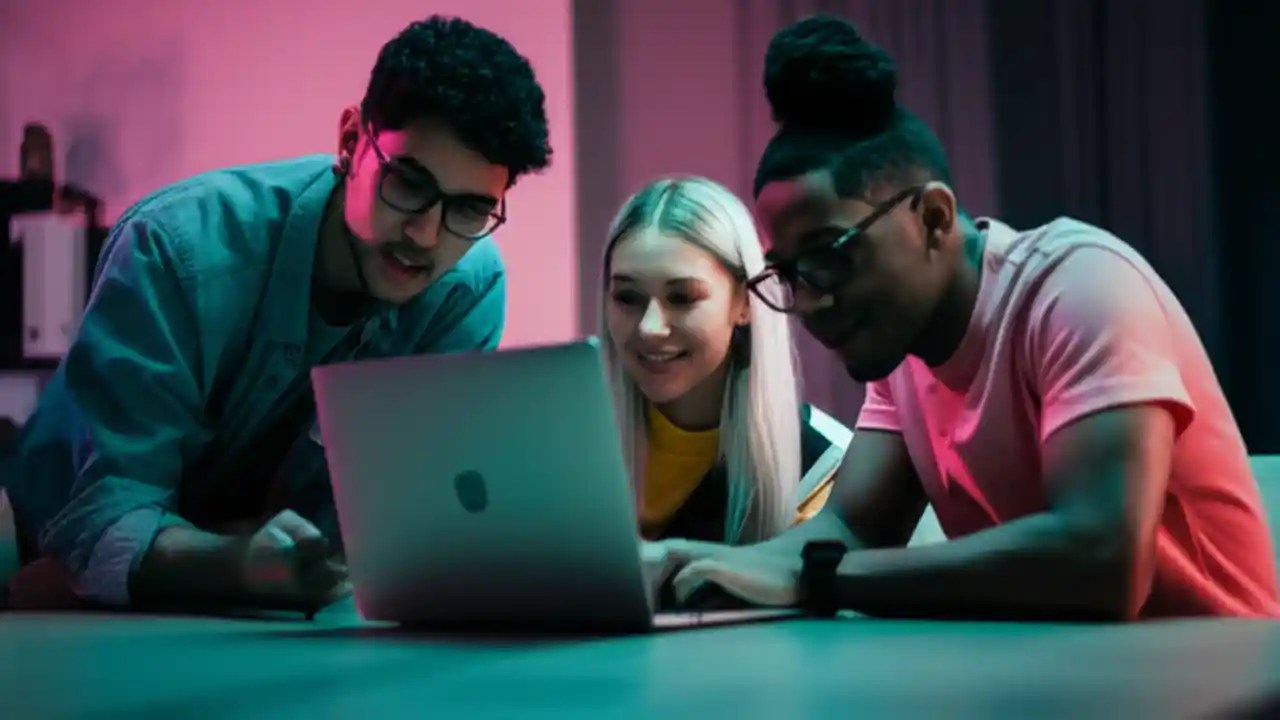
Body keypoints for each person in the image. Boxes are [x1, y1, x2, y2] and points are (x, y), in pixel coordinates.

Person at [669, 15, 1280, 620]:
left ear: (933, 217)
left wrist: (821, 578)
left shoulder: (1081, 288)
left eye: (830, 256)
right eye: (789, 273)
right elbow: (851, 529)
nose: (808, 302)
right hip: (1067, 676)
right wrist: (683, 563)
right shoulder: (903, 349)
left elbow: (1103, 561)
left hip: (1222, 681)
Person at [1, 15, 552, 614]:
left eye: (469, 210)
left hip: (259, 603)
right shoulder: (179, 249)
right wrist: (240, 565)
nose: (426, 235)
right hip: (40, 561)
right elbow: (100, 522)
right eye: (408, 184)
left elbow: (390, 520)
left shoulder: (465, 289)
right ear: (350, 143)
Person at [602, 177, 852, 544]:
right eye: (627, 297)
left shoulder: (821, 464)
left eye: (683, 297)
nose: (650, 328)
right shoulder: (572, 442)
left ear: (745, 304)